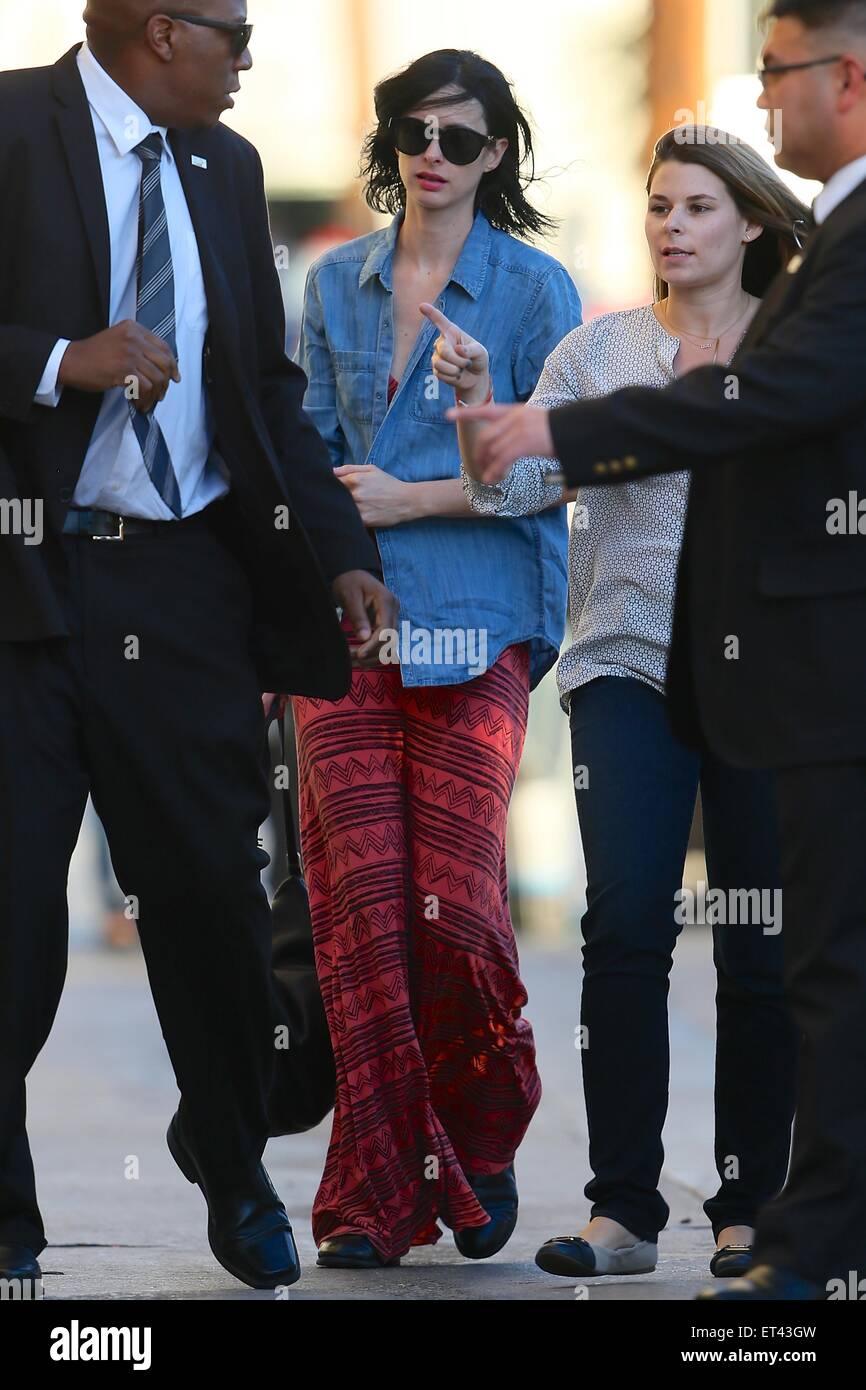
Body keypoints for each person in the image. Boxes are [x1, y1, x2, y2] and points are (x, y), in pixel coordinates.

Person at [456, 0, 866, 1301]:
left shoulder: (789, 326)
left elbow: (759, 418)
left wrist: (573, 435)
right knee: (626, 921)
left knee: (763, 941)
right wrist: (497, 430)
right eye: (658, 206)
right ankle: (624, 1204)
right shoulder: (598, 348)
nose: (672, 224)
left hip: (767, 673)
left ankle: (756, 1210)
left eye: (697, 204)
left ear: (746, 219)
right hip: (627, 668)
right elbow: (516, 489)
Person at [0, 0, 395, 1294]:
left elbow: (263, 389)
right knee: (13, 916)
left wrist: (338, 545)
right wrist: (65, 359)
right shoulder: (9, 124)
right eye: (231, 31)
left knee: (213, 903)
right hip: (29, 578)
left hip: (182, 585)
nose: (248, 57)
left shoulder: (224, 169)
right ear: (157, 30)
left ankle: (232, 1161)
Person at [293, 48, 582, 1269]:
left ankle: (480, 1123)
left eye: (461, 139)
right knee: (361, 913)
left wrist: (416, 495)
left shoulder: (531, 292)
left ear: (496, 152)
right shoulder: (334, 284)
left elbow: (557, 469)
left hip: (477, 622)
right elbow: (303, 455)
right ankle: (369, 1194)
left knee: (456, 910)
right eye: (415, 132)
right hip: (345, 631)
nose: (435, 155)